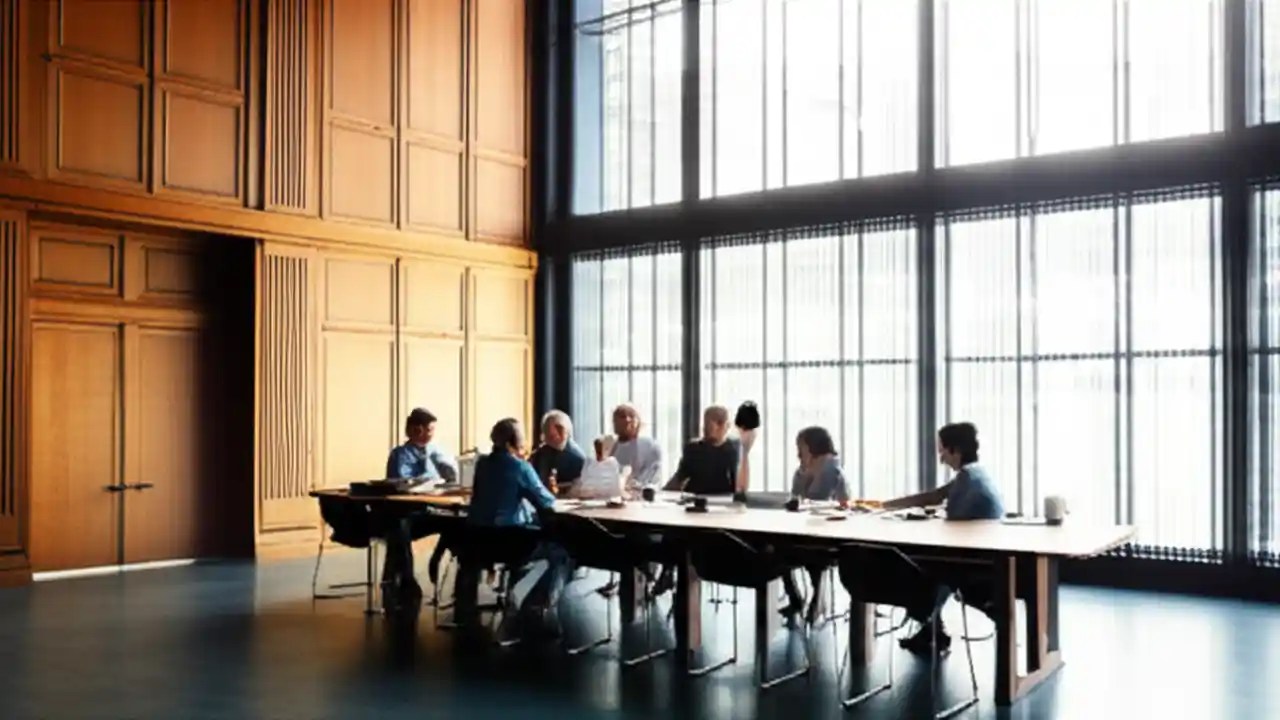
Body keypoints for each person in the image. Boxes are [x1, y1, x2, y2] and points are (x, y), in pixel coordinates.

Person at [871, 422, 1005, 655]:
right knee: (925, 562)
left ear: (956, 450)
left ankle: (929, 624)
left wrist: (890, 510)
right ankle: (932, 629)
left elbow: (949, 525)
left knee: (914, 563)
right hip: (982, 554)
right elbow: (937, 496)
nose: (940, 457)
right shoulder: (973, 473)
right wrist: (884, 506)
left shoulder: (967, 478)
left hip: (971, 563)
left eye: (942, 450)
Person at [462, 418, 572, 633]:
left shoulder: (482, 464)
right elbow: (546, 502)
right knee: (560, 550)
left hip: (477, 540)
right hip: (511, 541)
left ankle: (474, 607)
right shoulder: (520, 467)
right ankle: (538, 606)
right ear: (515, 442)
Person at [379, 409, 457, 612]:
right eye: (429, 429)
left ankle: (446, 571)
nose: (432, 434)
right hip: (408, 513)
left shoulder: (436, 451)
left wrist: (449, 473)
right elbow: (400, 484)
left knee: (457, 522)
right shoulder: (400, 454)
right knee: (399, 527)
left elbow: (450, 478)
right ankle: (405, 579)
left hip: (432, 509)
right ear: (417, 430)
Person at [782, 426, 851, 621]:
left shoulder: (830, 466)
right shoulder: (804, 469)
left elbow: (818, 497)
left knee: (812, 553)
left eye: (801, 446)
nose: (799, 451)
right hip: (806, 526)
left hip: (829, 529)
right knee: (777, 549)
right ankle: (795, 597)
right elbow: (796, 497)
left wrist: (811, 473)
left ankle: (816, 601)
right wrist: (805, 473)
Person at [665, 405, 740, 495]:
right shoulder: (694, 449)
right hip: (695, 499)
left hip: (724, 500)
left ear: (726, 425)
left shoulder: (734, 449)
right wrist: (661, 494)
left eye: (718, 423)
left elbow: (738, 484)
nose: (708, 427)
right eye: (706, 423)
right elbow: (680, 477)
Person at [527, 410, 587, 494]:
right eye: (548, 428)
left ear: (568, 431)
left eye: (559, 428)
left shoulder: (577, 458)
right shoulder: (538, 455)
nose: (554, 432)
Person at [609, 404, 663, 491]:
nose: (627, 420)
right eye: (622, 416)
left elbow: (651, 478)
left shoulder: (649, 446)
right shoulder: (609, 447)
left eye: (631, 416)